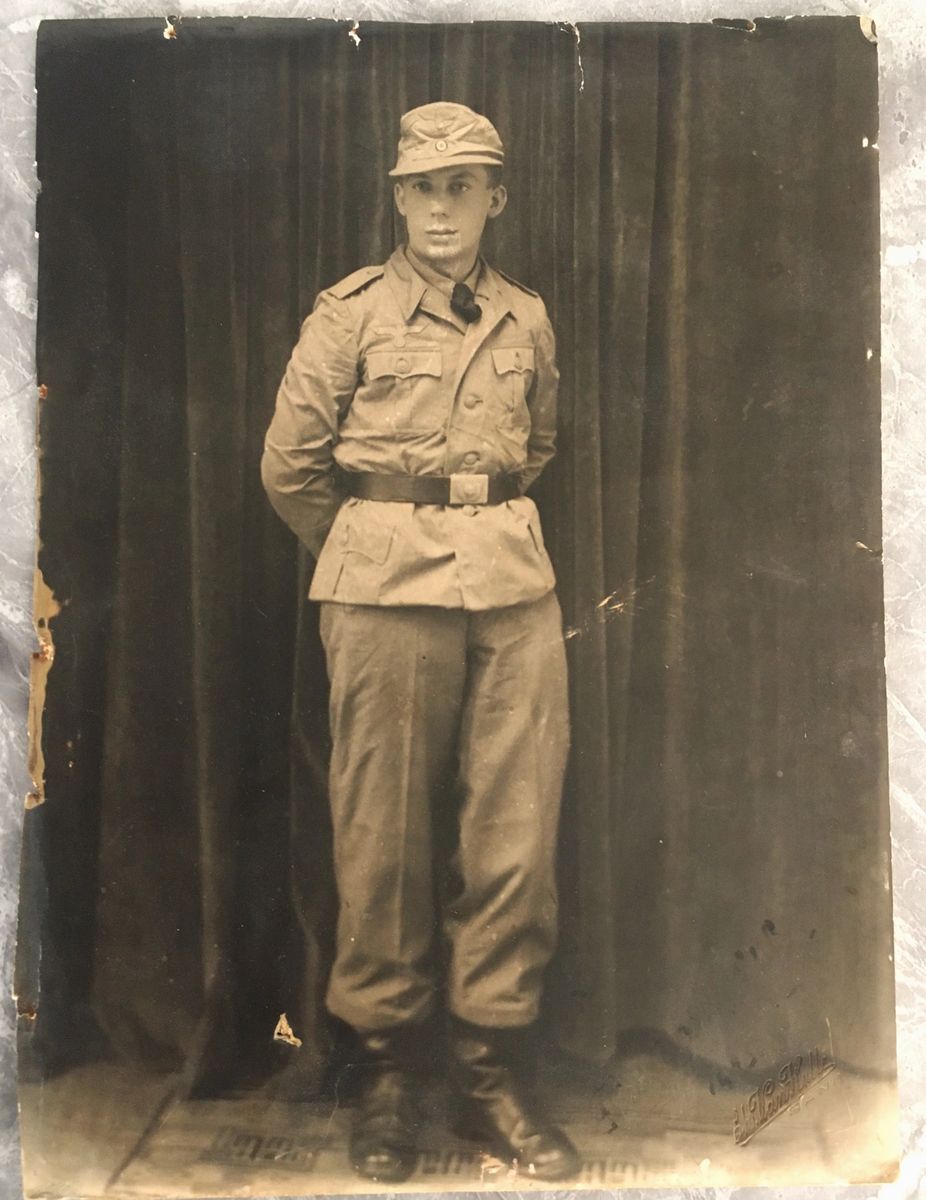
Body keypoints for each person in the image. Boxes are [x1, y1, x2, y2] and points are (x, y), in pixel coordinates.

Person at [261, 101, 578, 1184]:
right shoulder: (348, 314)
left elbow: (533, 448)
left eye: (461, 187)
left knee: (515, 835)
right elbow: (290, 468)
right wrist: (366, 540)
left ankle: (490, 1068)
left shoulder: (526, 318)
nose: (440, 210)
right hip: (382, 589)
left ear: (495, 196)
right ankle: (390, 1070)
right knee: (383, 836)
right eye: (420, 189)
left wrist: (463, 524)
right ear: (397, 198)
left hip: (510, 587)